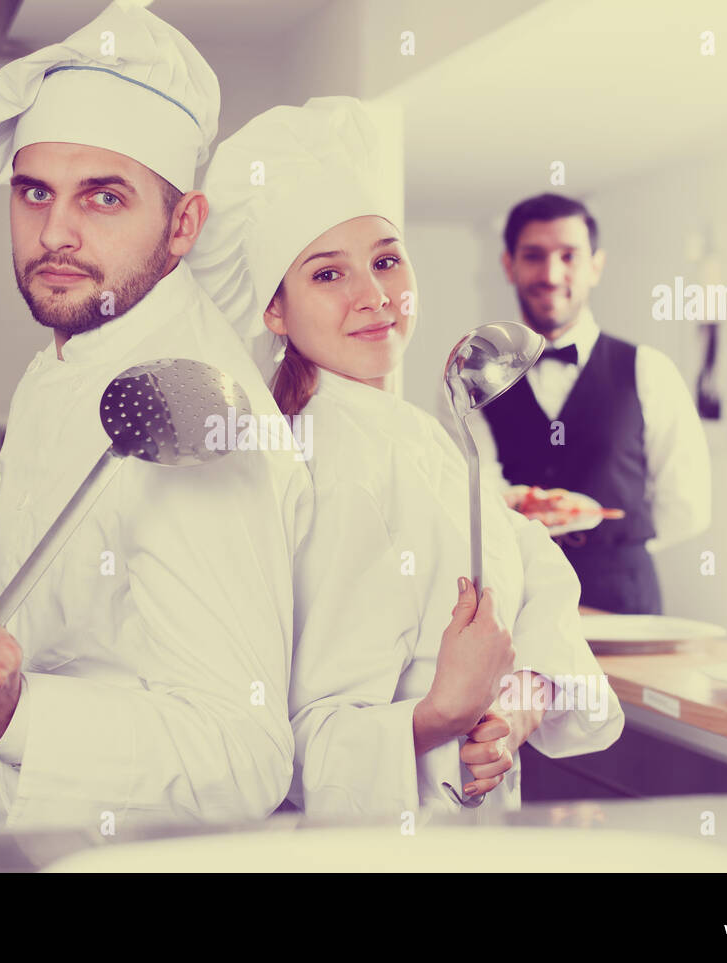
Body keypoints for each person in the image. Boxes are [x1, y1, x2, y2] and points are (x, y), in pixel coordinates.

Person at [0, 0, 313, 833]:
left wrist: (15, 715)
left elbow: (240, 750)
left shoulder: (196, 418)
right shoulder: (69, 352)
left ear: (183, 224)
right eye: (34, 192)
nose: (54, 232)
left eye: (103, 197)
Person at [189, 97, 623, 817]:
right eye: (328, 274)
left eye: (387, 261)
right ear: (274, 310)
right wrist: (441, 715)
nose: (376, 296)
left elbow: (536, 574)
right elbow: (291, 746)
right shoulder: (308, 465)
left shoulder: (425, 434)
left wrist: (518, 701)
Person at [465, 193, 712, 615]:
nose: (551, 272)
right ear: (509, 265)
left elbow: (687, 504)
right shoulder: (473, 375)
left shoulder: (649, 369)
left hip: (624, 602)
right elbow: (473, 490)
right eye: (534, 255)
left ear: (596, 265)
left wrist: (618, 547)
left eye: (569, 255)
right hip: (516, 600)